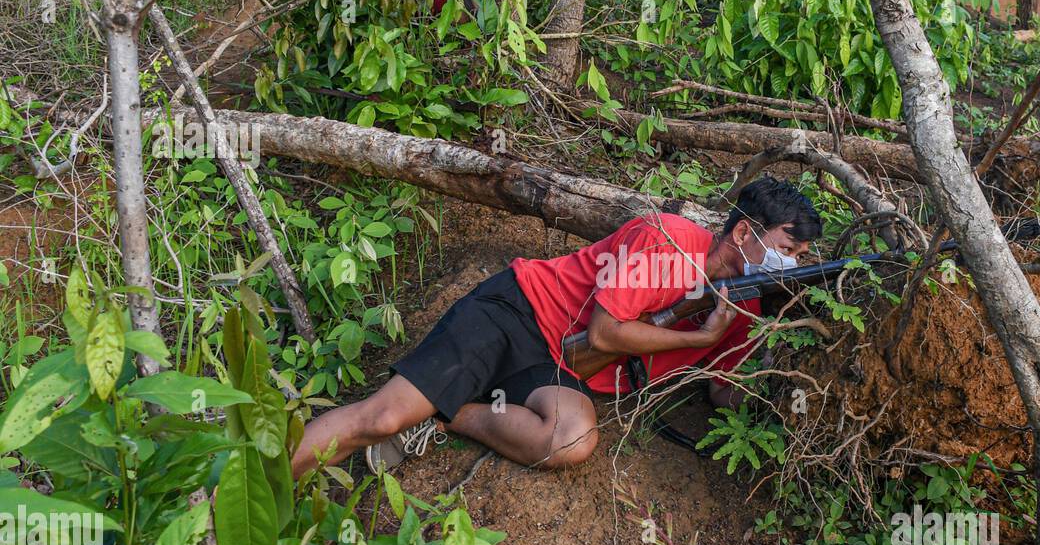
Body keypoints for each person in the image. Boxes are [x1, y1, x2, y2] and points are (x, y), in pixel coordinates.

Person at [290, 177, 822, 479]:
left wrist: (790, 353)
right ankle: (242, 498)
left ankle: (449, 417)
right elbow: (605, 334)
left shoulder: (747, 303)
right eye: (786, 250)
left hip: (559, 365)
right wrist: (700, 338)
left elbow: (723, 392)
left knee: (572, 440)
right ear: (746, 233)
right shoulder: (668, 241)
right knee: (380, 416)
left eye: (801, 258)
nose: (791, 264)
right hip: (517, 313)